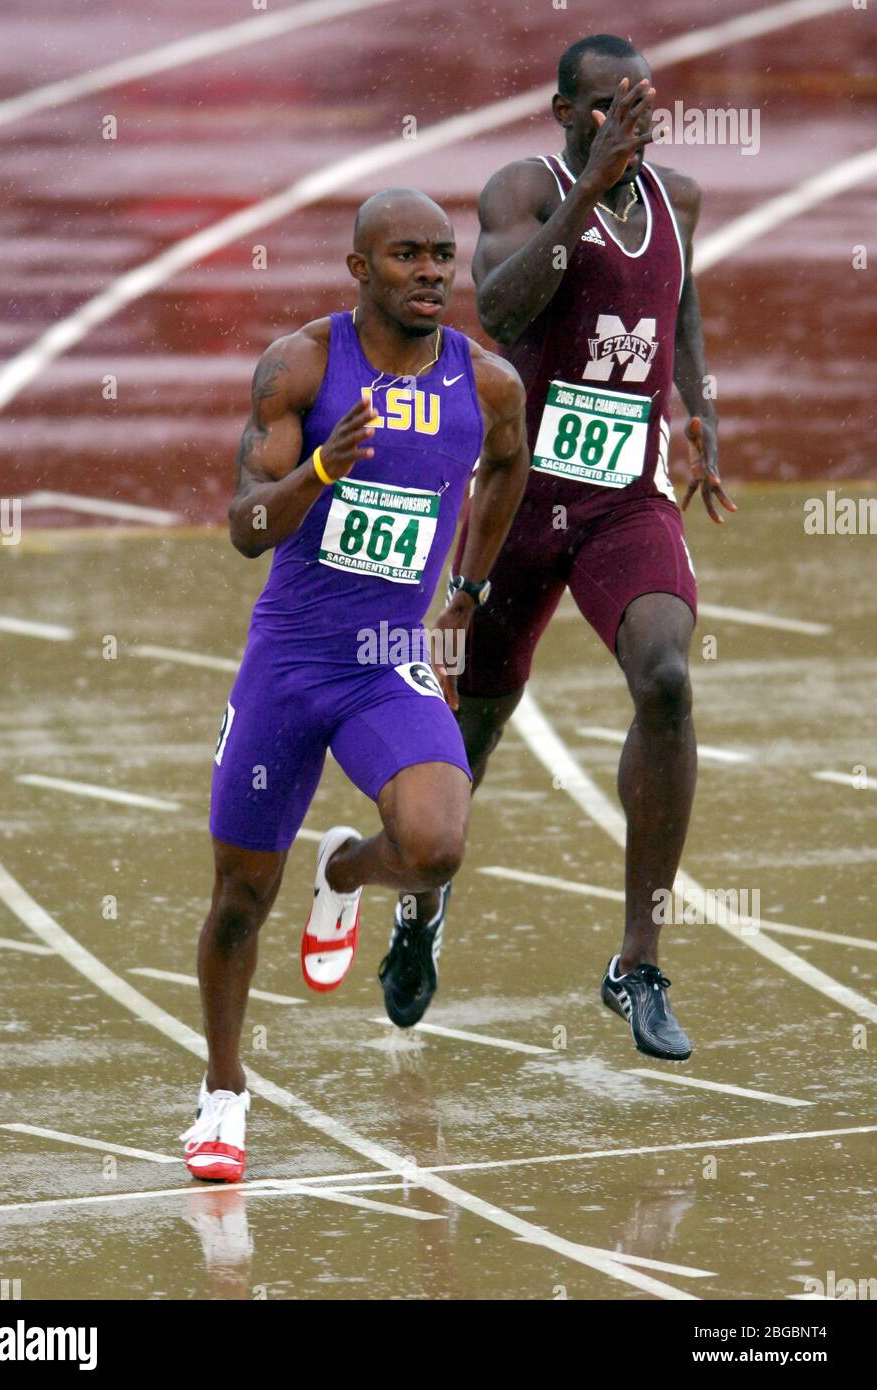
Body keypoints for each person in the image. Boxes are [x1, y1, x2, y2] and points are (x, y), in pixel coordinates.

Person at [390, 34, 736, 1062]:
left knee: (667, 676)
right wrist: (586, 190)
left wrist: (698, 408)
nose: (619, 121)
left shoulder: (677, 195)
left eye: (634, 104)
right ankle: (419, 908)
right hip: (517, 498)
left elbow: (679, 299)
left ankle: (637, 960)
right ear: (560, 112)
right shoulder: (521, 191)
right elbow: (497, 308)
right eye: (596, 107)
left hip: (622, 501)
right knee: (477, 735)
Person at [181, 188, 528, 1181]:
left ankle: (343, 874)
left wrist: (464, 591)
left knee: (435, 846)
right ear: (359, 270)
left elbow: (506, 467)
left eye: (442, 256)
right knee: (240, 898)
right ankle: (222, 1090)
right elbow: (248, 530)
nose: (429, 273)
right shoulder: (302, 365)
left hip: (388, 661)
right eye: (406, 256)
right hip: (289, 664)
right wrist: (320, 470)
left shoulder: (488, 384)